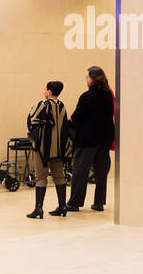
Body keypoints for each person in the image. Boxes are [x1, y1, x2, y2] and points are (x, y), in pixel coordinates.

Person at [66, 66, 115, 212]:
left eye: (87, 77)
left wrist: (70, 122)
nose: (86, 79)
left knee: (80, 171)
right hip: (104, 138)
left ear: (92, 79)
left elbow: (76, 117)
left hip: (87, 140)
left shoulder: (86, 97)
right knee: (101, 173)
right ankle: (99, 203)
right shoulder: (108, 95)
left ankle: (75, 203)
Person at [25, 81, 69, 219]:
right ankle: (62, 206)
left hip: (43, 148)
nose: (44, 91)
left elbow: (31, 120)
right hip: (59, 149)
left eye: (45, 89)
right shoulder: (62, 106)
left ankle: (38, 209)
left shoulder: (42, 104)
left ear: (49, 91)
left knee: (40, 177)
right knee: (59, 176)